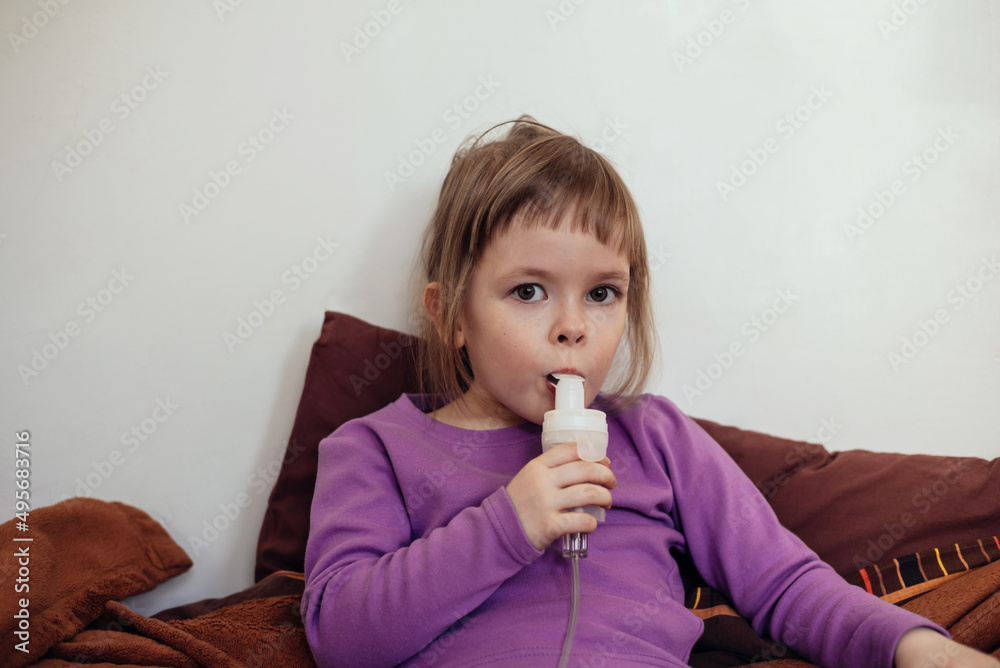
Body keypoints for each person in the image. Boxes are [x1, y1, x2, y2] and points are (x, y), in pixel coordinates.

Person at [302, 115, 999, 668]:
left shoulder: (654, 438)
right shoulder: (374, 449)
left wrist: (916, 646)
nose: (573, 326)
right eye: (529, 290)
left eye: (602, 293)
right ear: (451, 313)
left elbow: (786, 585)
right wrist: (506, 525)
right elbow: (342, 637)